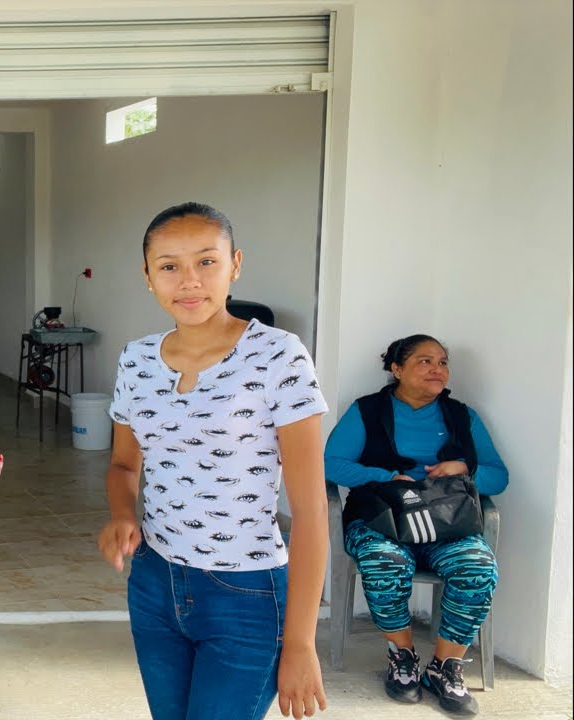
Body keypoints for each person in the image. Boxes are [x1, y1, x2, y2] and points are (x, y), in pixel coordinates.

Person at [98, 202, 329, 720]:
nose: (189, 281)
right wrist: (121, 516)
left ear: (235, 264)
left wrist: (300, 643)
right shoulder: (136, 359)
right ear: (148, 275)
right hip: (154, 583)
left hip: (244, 594)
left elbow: (312, 511)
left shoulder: (278, 356)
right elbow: (123, 467)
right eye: (169, 265)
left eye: (206, 261)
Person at [325, 334, 506, 716]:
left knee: (477, 566)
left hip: (445, 524)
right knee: (383, 562)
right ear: (397, 369)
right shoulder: (368, 411)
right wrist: (386, 475)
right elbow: (331, 463)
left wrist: (464, 469)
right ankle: (402, 655)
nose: (436, 369)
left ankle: (444, 667)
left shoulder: (462, 416)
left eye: (442, 362)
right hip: (381, 519)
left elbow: (498, 477)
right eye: (424, 361)